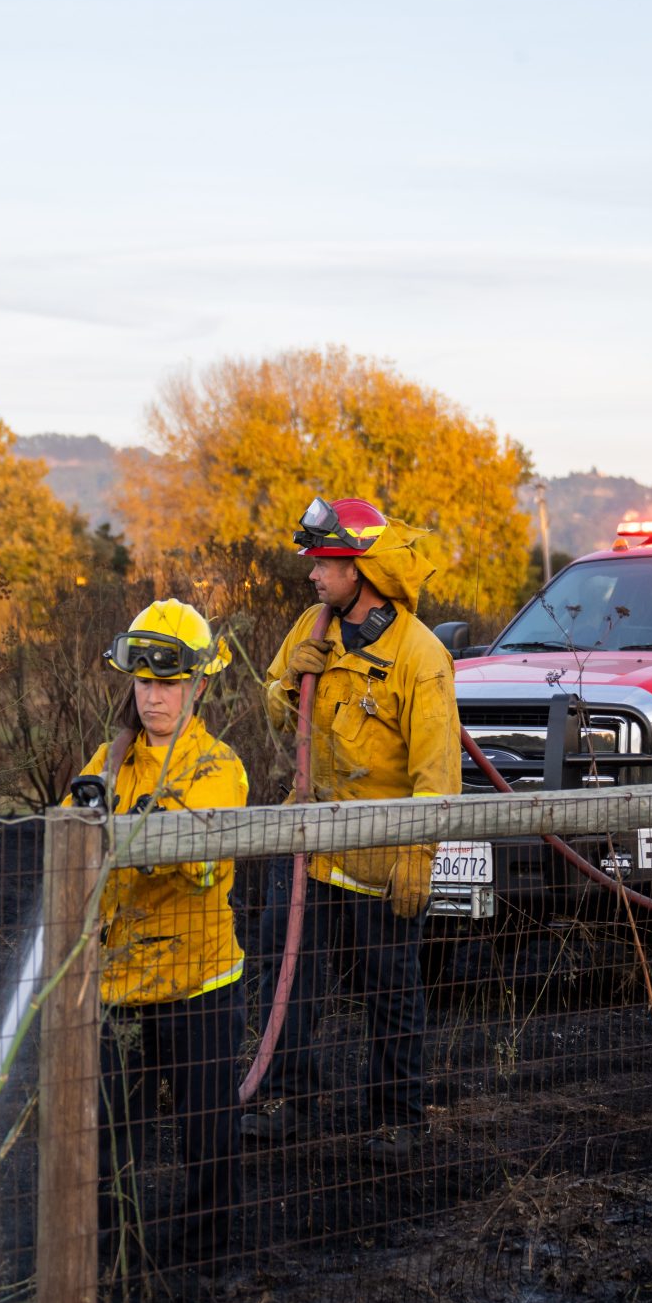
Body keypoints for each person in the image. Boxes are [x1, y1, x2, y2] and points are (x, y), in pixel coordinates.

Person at [242, 497, 459, 1168]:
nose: (312, 573)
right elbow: (278, 710)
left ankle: (399, 1118)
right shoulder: (314, 627)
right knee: (289, 982)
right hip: (308, 849)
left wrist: (419, 852)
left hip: (379, 859)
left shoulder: (420, 656)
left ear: (359, 568)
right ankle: (285, 1104)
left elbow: (437, 771)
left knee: (391, 989)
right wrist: (286, 687)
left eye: (325, 562)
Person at [68, 599, 250, 1267]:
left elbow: (205, 862)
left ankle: (206, 1258)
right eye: (144, 682)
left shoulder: (217, 766)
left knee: (206, 1131)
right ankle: (109, 1252)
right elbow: (69, 831)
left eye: (168, 683)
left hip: (199, 980)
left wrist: (148, 831)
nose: (154, 697)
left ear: (197, 685)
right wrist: (84, 810)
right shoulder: (111, 760)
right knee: (110, 1132)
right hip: (122, 980)